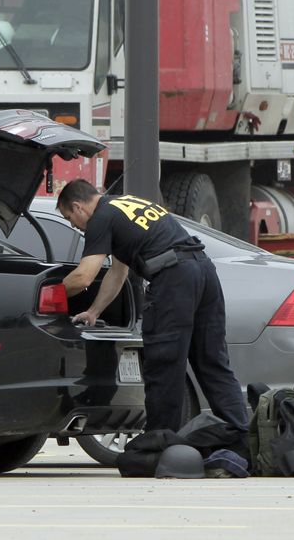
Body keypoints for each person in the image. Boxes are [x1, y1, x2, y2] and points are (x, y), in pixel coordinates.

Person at [56, 179, 248, 437]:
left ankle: (160, 442)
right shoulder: (124, 205)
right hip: (204, 272)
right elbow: (118, 272)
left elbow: (83, 277)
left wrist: (51, 292)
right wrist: (94, 312)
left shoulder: (100, 218)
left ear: (78, 207)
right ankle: (240, 434)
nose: (73, 225)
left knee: (164, 365)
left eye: (69, 218)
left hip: (174, 278)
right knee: (212, 361)